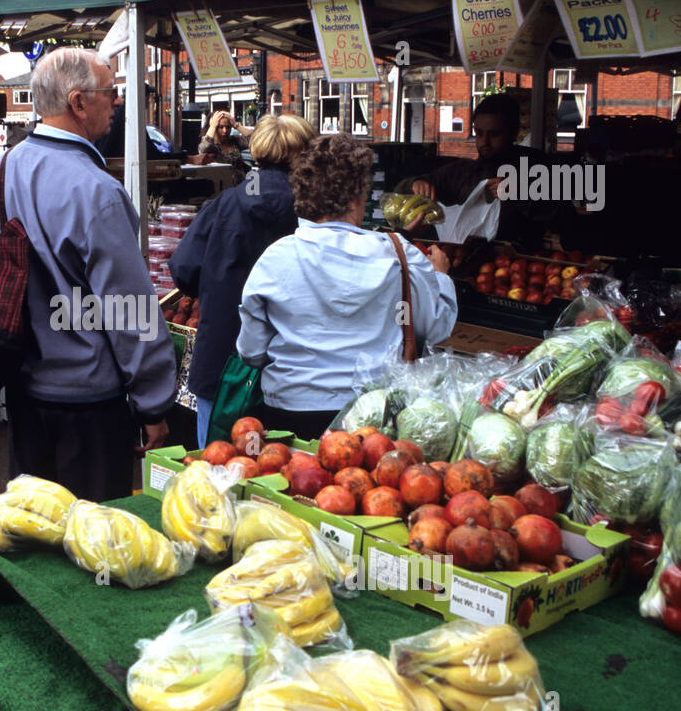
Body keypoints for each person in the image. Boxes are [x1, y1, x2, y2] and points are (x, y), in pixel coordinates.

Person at [0, 47, 178, 502]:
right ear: (79, 102)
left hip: (23, 386)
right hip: (89, 402)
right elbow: (130, 310)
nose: (117, 103)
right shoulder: (97, 191)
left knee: (35, 525)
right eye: (111, 93)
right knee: (92, 537)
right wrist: (154, 403)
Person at [237, 134, 458, 439]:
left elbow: (250, 351)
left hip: (290, 410)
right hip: (374, 415)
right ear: (357, 198)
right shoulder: (400, 254)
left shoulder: (275, 259)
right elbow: (435, 328)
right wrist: (442, 277)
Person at [169, 113, 318, 446]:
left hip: (222, 366)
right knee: (285, 475)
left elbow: (183, 269)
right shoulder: (313, 211)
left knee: (220, 476)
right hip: (296, 370)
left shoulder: (225, 203)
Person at [398, 92, 559, 250]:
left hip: (522, 265)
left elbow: (564, 219)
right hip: (463, 266)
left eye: (494, 134)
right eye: (479, 133)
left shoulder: (537, 167)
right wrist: (414, 184)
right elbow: (401, 191)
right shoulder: (462, 171)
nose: (484, 142)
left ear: (514, 133)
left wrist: (525, 194)